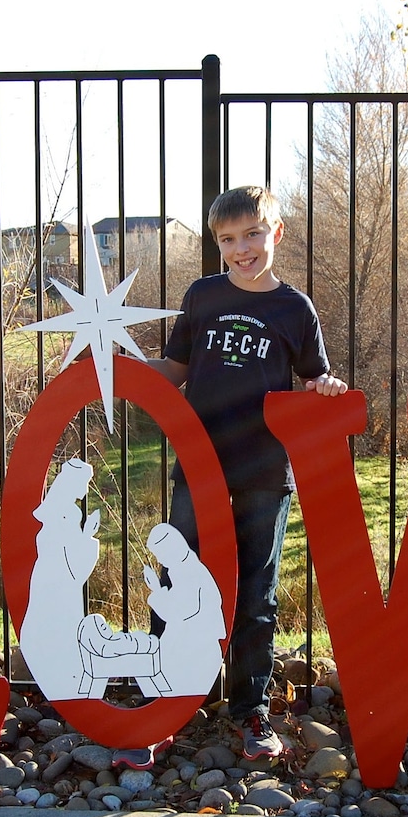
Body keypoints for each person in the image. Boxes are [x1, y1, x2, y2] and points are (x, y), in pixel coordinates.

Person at [131, 185, 348, 767]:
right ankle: (164, 703)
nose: (242, 249)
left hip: (264, 471)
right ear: (217, 245)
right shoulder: (202, 296)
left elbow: (313, 379)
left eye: (253, 234)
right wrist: (116, 368)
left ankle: (250, 708)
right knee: (175, 583)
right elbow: (172, 370)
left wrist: (323, 387)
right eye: (228, 240)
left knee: (256, 593)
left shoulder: (295, 309)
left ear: (276, 233)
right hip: (198, 464)